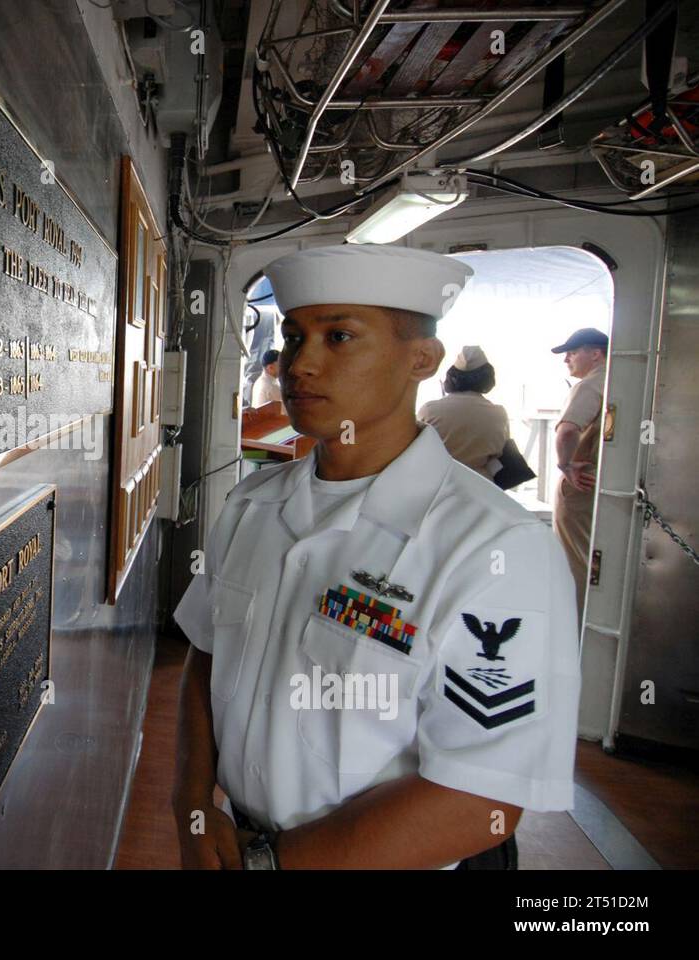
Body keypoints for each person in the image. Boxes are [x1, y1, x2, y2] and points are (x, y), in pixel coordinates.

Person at [171, 245, 580, 870]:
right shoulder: (251, 506)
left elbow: (479, 798)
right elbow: (207, 656)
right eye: (294, 335)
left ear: (423, 360)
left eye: (340, 336)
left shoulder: (494, 547)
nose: (300, 364)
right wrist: (193, 804)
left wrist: (272, 863)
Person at [550, 327, 608, 620]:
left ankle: (573, 631)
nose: (567, 360)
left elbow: (567, 431)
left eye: (572, 353)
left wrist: (565, 465)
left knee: (573, 563)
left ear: (595, 353)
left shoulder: (590, 385)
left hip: (580, 485)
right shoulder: (622, 383)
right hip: (603, 485)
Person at [417, 345, 510, 478]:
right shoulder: (499, 413)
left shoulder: (429, 410)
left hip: (438, 483)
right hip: (482, 487)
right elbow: (500, 452)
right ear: (488, 378)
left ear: (450, 377)